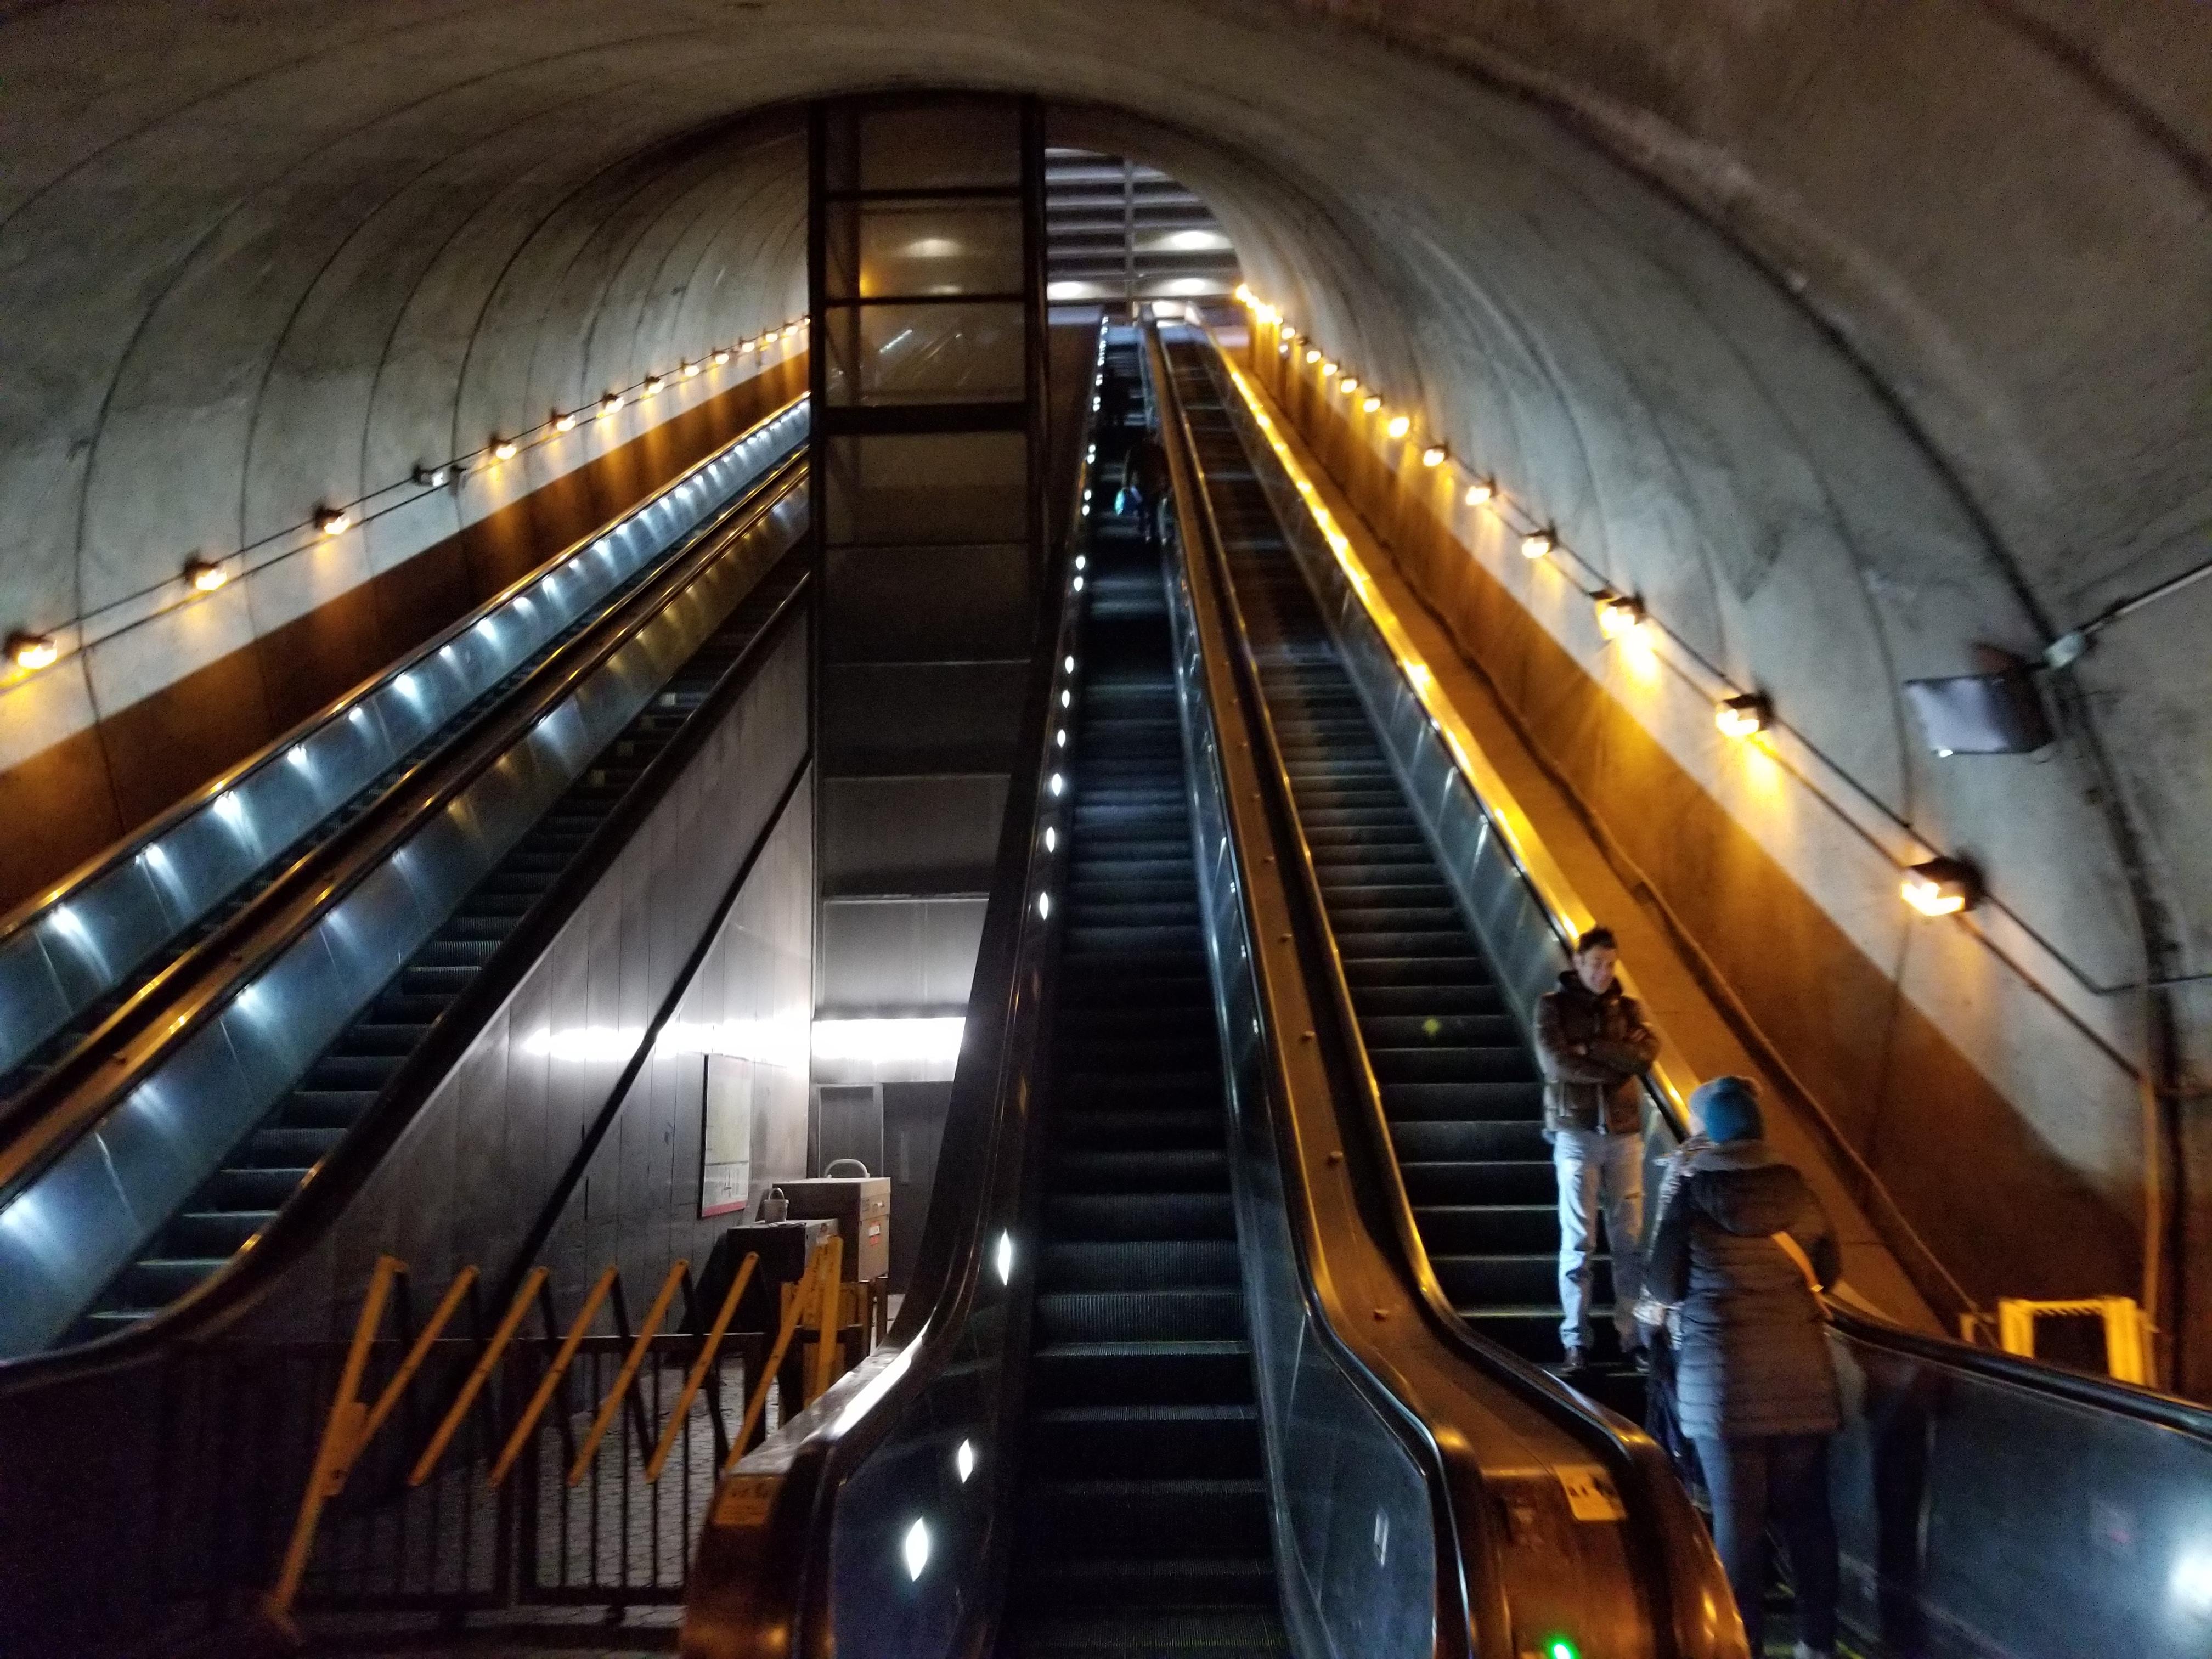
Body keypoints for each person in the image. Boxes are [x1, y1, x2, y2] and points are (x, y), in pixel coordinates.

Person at [1646, 1075, 1842, 1659]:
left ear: (1713, 1132)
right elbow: (1828, 1273)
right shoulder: (1800, 1192)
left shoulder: (1691, 1195)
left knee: (1738, 1527)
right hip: (1801, 1378)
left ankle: (1743, 1648)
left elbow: (1663, 1284)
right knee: (1808, 1517)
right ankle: (1818, 1643)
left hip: (1724, 1386)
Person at [1535, 924, 1657, 1370]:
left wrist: (1593, 1048)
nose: (1605, 973)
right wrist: (1613, 1063)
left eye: (1611, 964)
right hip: (1575, 1133)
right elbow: (1556, 1062)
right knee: (1578, 1242)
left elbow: (1645, 1058)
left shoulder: (1628, 1009)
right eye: (1597, 964)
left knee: (1629, 1242)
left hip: (1625, 1136)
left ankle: (1632, 1337)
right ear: (1578, 961)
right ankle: (1576, 1340)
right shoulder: (1552, 1008)